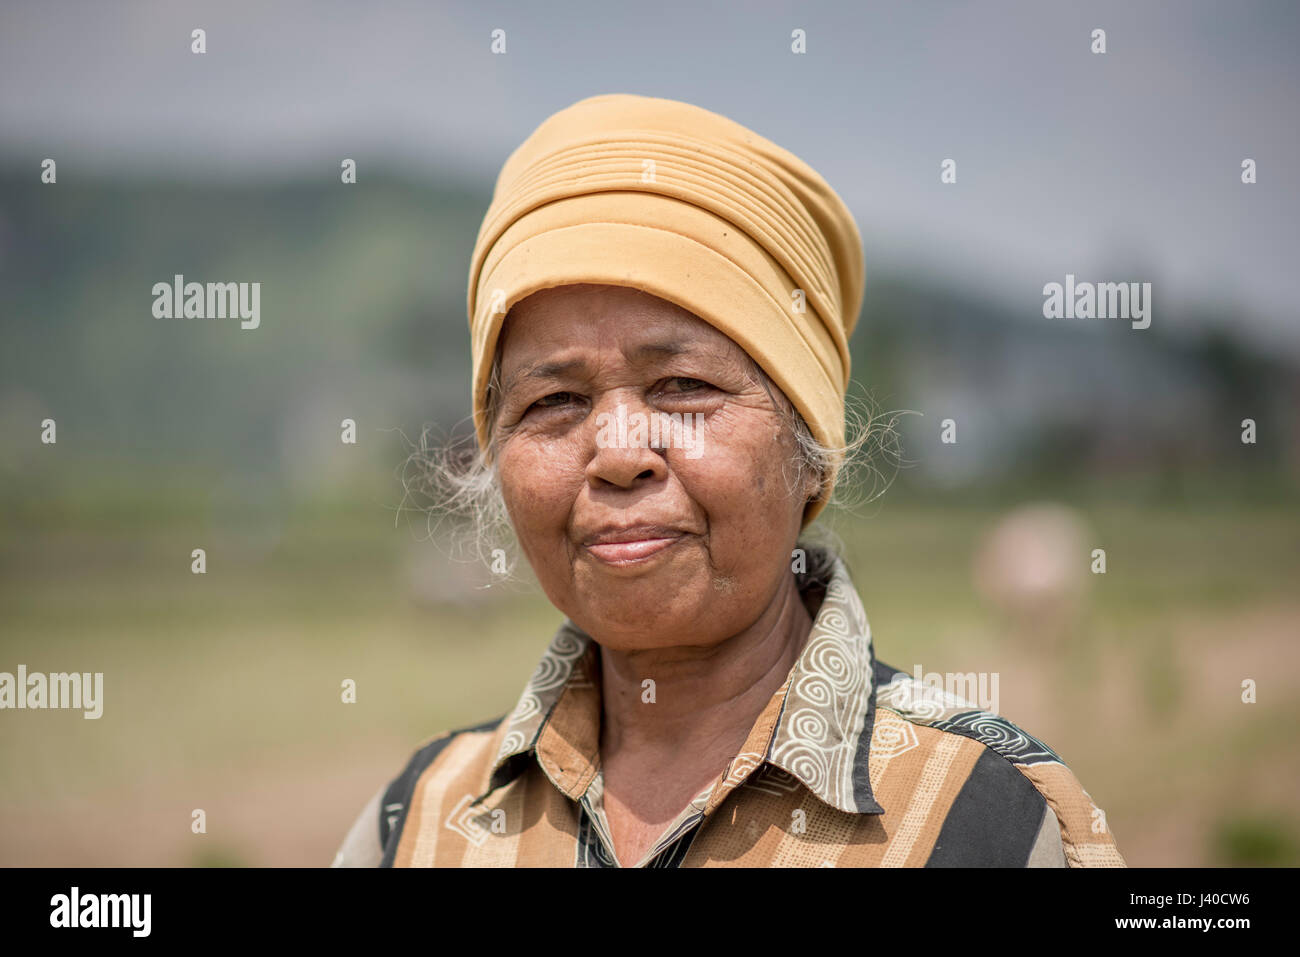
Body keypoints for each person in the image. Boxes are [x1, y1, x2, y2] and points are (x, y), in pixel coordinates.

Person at [332, 93, 1125, 868]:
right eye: (554, 401)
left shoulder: (994, 822)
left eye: (682, 387)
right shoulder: (414, 828)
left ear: (806, 437)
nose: (617, 453)